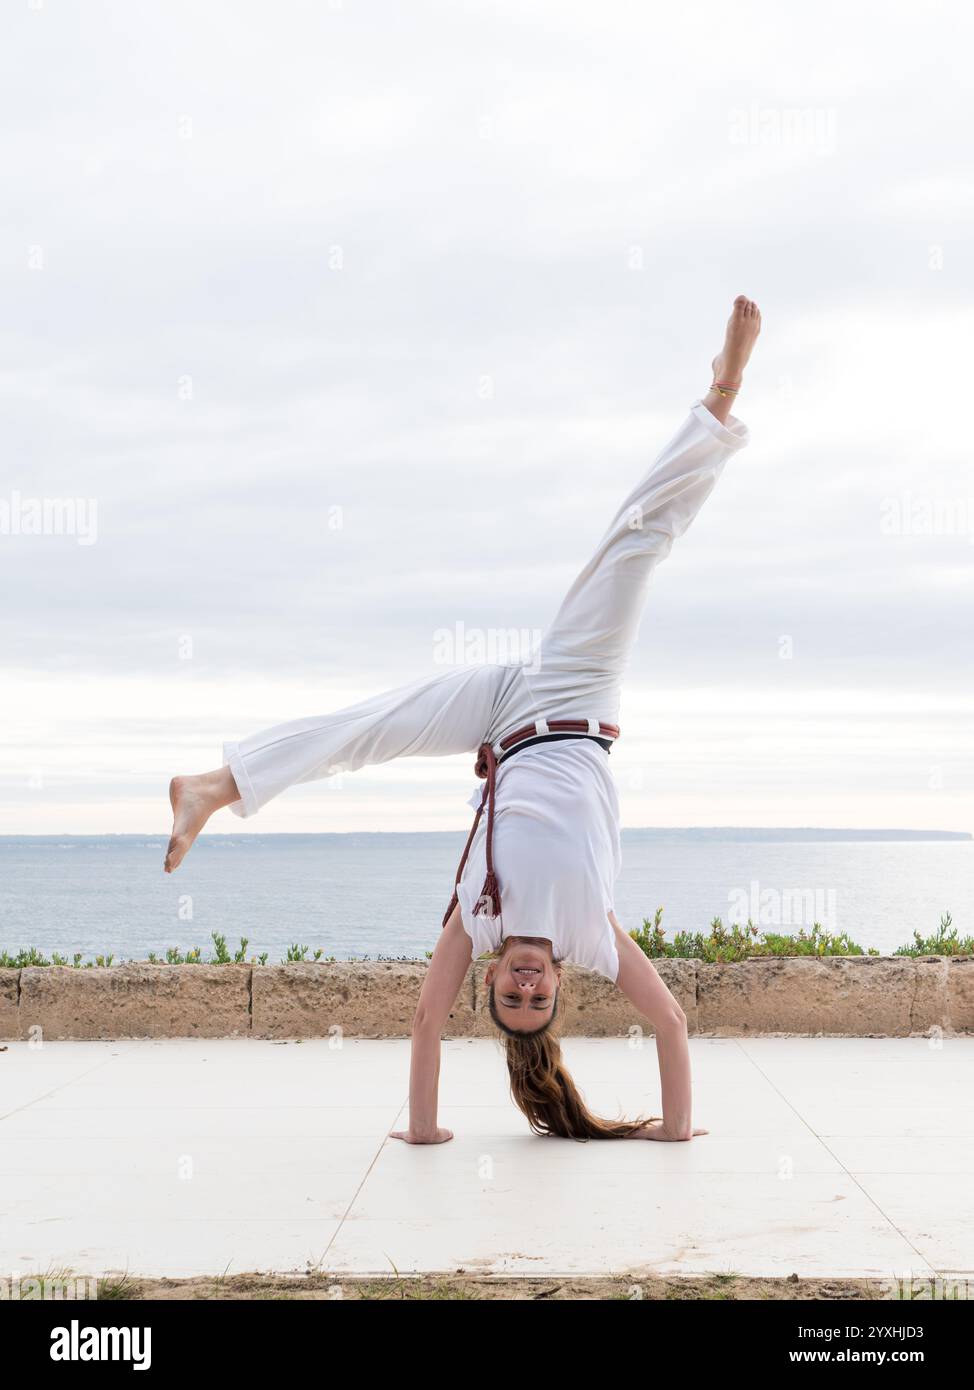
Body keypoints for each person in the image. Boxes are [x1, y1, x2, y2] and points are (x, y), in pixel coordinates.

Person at [164, 295, 762, 1142]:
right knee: (633, 547)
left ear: (489, 987)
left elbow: (422, 1024)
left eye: (510, 999)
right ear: (557, 986)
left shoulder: (475, 922)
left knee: (375, 727)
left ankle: (219, 785)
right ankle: (723, 396)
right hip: (575, 695)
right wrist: (674, 1131)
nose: (525, 989)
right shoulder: (591, 938)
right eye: (538, 999)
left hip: (500, 717)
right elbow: (670, 1021)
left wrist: (423, 1131)